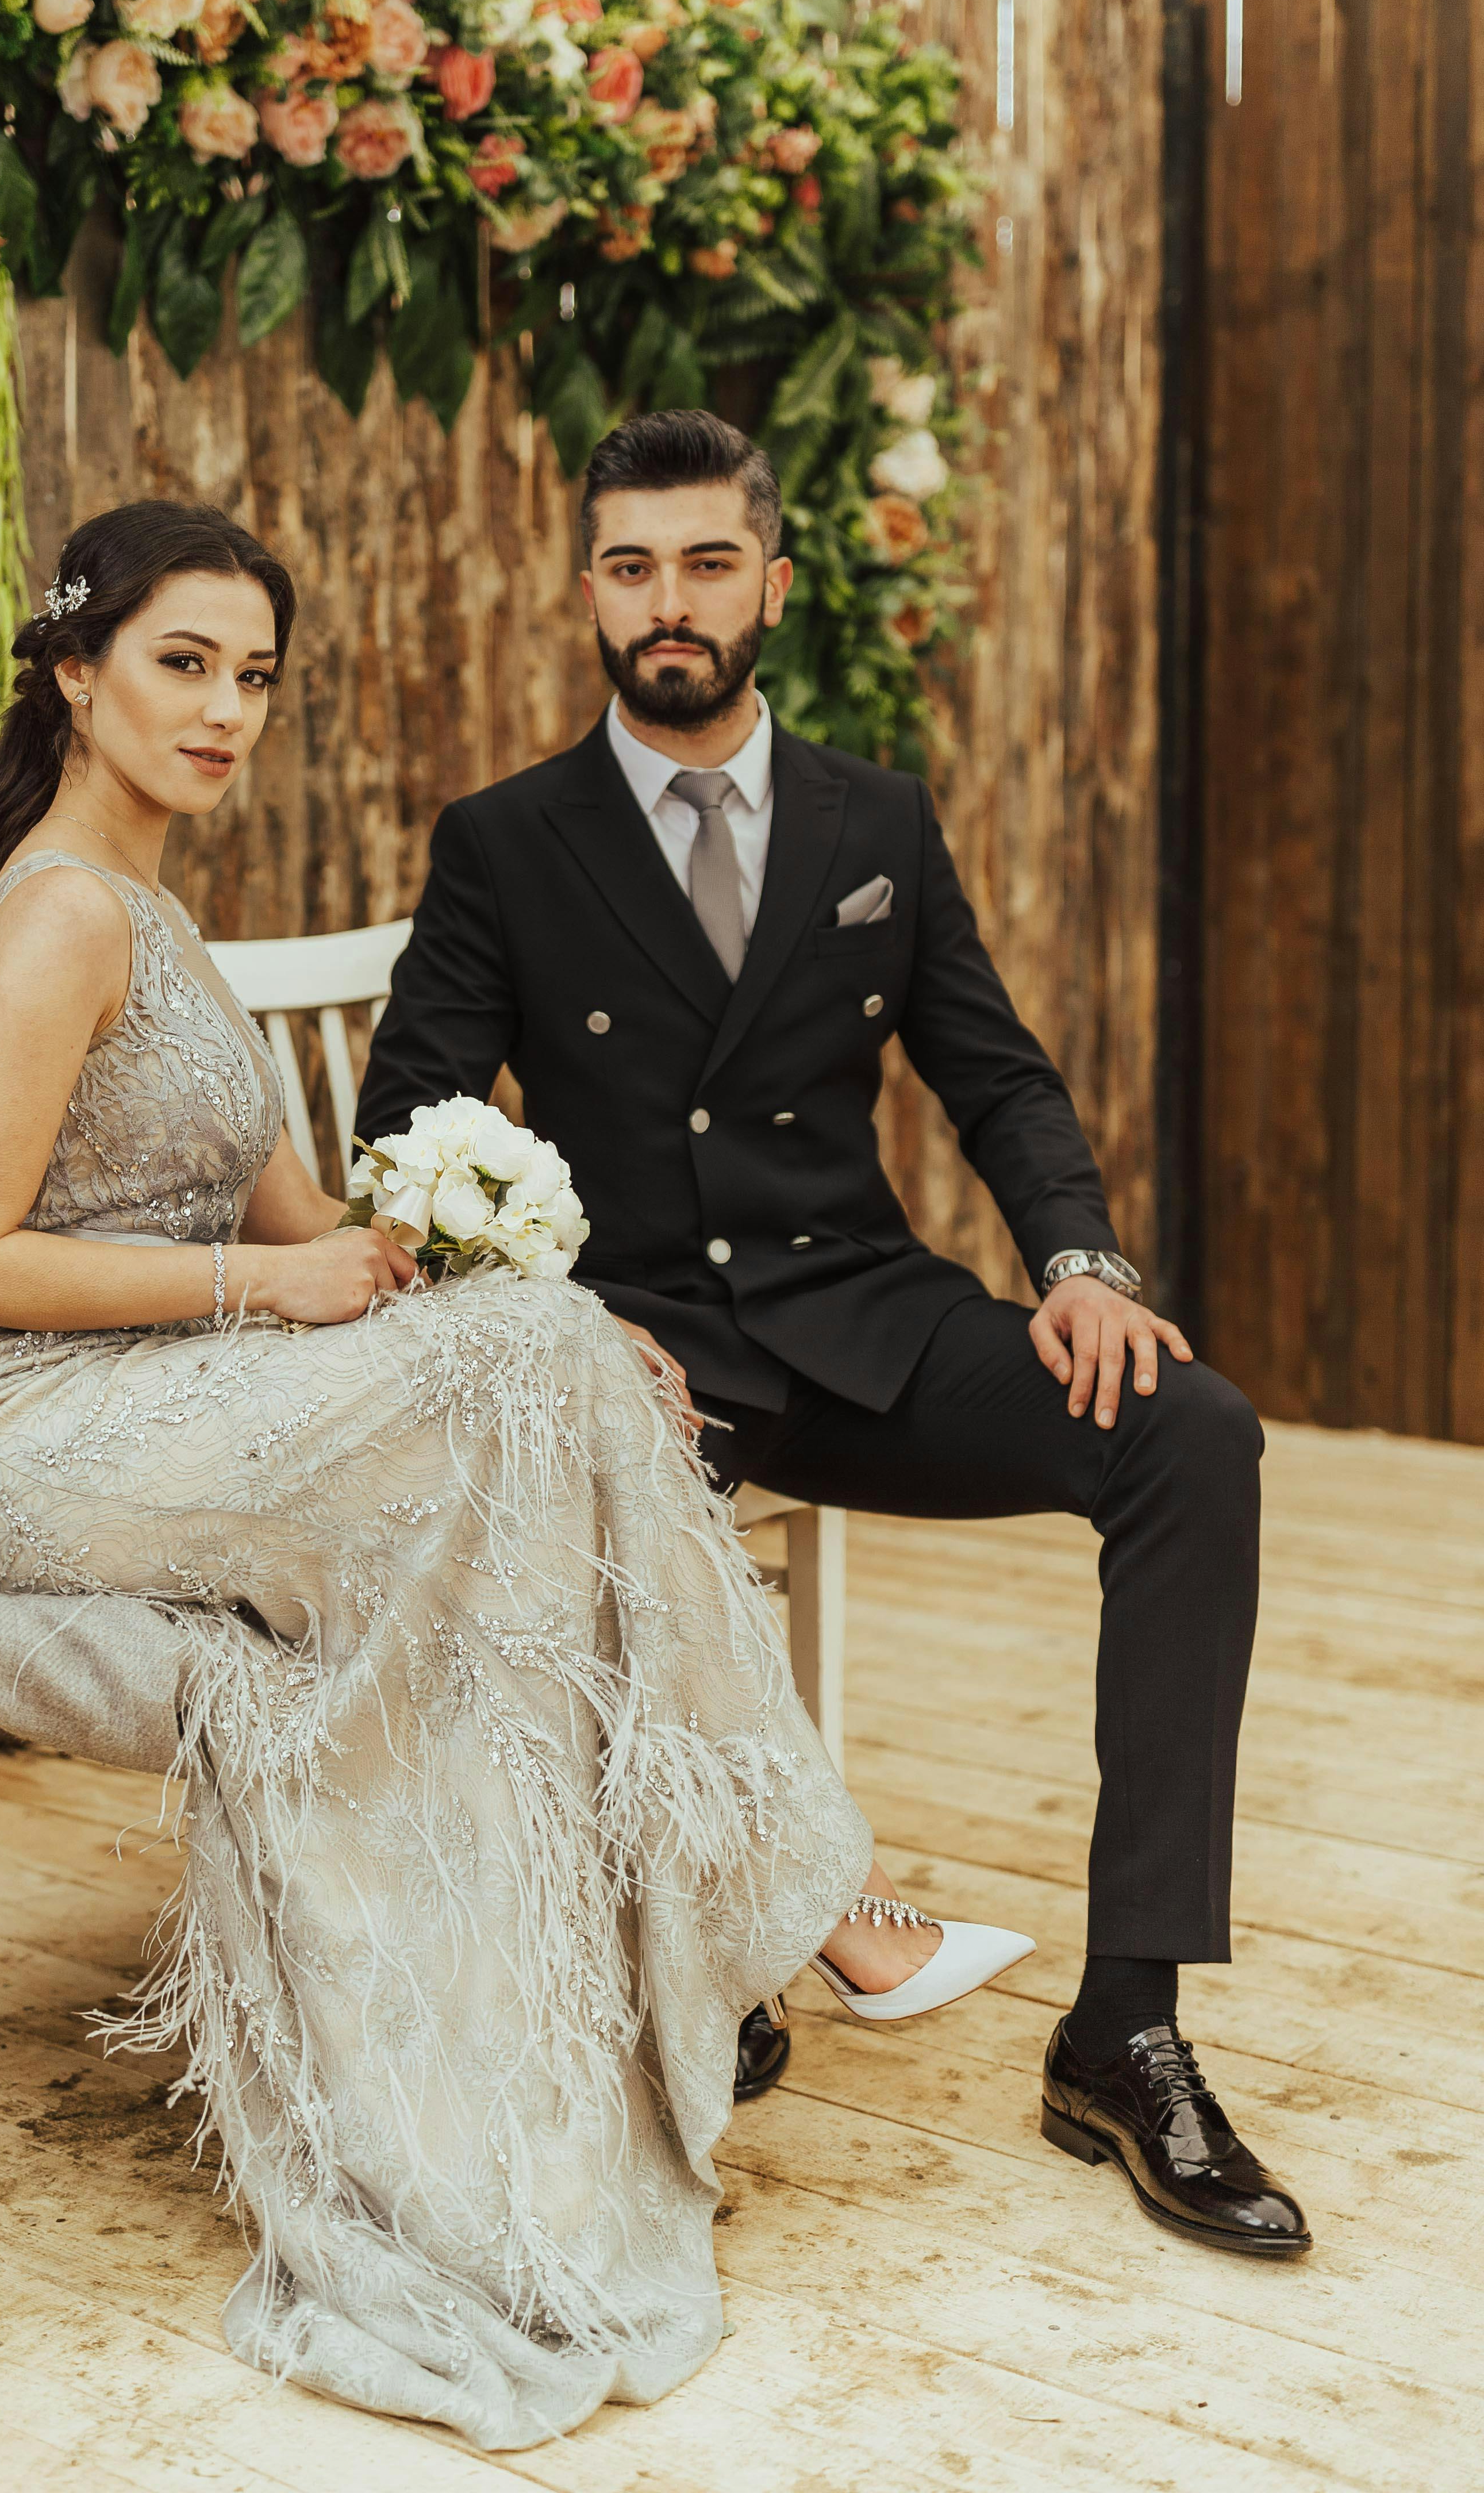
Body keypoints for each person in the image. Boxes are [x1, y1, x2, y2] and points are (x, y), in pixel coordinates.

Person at [0, 496, 968, 2454]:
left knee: (551, 1391)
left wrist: (535, 1315)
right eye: (182, 666)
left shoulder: (160, 922)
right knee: (533, 1388)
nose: (227, 714)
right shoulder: (57, 914)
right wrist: (275, 1284)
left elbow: (338, 1241)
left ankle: (607, 2002)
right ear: (75, 674)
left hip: (180, 1418)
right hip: (24, 1445)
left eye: (255, 680)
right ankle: (798, 1879)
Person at [357, 409, 1312, 2262]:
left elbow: (998, 1075)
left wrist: (1084, 1263)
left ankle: (1128, 2028)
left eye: (707, 562)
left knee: (1194, 1437)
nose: (669, 603)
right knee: (586, 1494)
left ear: (772, 583)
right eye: (630, 566)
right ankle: (701, 1959)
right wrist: (555, 1327)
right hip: (637, 1359)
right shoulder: (505, 842)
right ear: (586, 593)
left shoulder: (879, 818)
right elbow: (414, 1137)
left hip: (859, 1323)